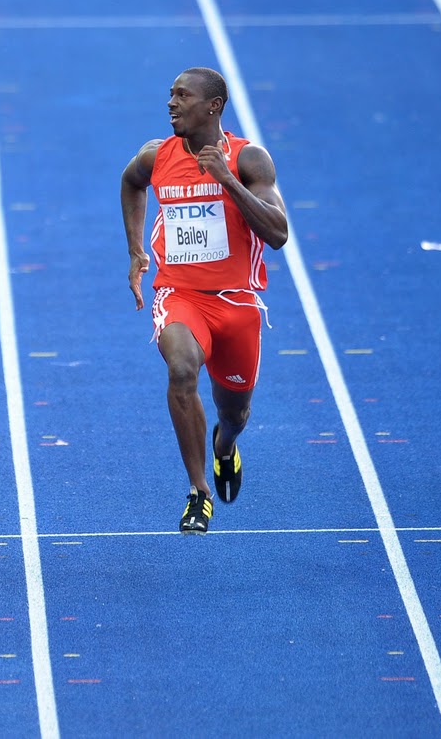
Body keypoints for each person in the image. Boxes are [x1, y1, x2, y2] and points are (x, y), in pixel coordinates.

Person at [120, 67, 288, 535]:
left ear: (213, 106)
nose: (171, 103)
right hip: (180, 295)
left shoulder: (248, 159)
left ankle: (224, 446)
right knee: (180, 369)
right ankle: (199, 492)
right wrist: (136, 249)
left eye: (182, 96)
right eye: (170, 95)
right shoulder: (156, 156)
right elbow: (131, 183)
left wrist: (227, 182)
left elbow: (278, 234)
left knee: (234, 413)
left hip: (237, 304)